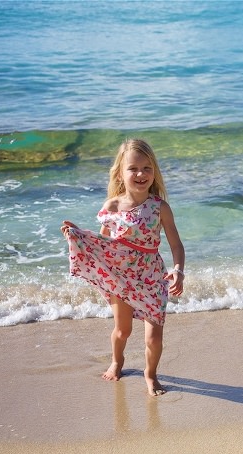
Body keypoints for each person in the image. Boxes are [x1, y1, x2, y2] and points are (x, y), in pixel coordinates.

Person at [61, 139, 185, 396]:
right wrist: (77, 234)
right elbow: (101, 245)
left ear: (155, 172)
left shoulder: (160, 208)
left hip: (152, 278)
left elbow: (176, 243)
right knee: (123, 330)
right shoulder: (112, 207)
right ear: (120, 172)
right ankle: (117, 360)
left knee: (154, 338)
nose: (141, 174)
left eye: (147, 168)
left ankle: (150, 375)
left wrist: (178, 270)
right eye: (133, 168)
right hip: (121, 280)